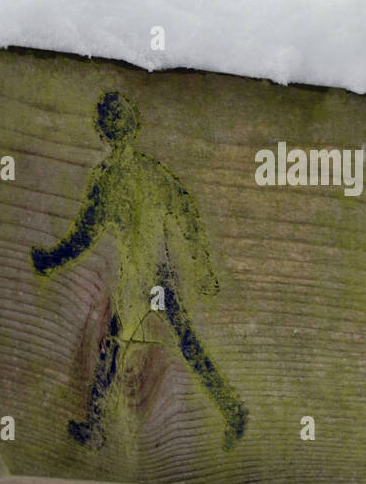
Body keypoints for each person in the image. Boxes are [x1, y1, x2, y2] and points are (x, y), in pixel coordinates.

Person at [30, 91, 249, 450]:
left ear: (108, 129)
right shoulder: (139, 174)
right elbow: (185, 215)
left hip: (146, 280)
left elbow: (84, 237)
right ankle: (230, 409)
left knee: (123, 346)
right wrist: (204, 267)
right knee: (137, 345)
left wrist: (50, 260)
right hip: (150, 279)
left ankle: (99, 426)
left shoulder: (116, 178)